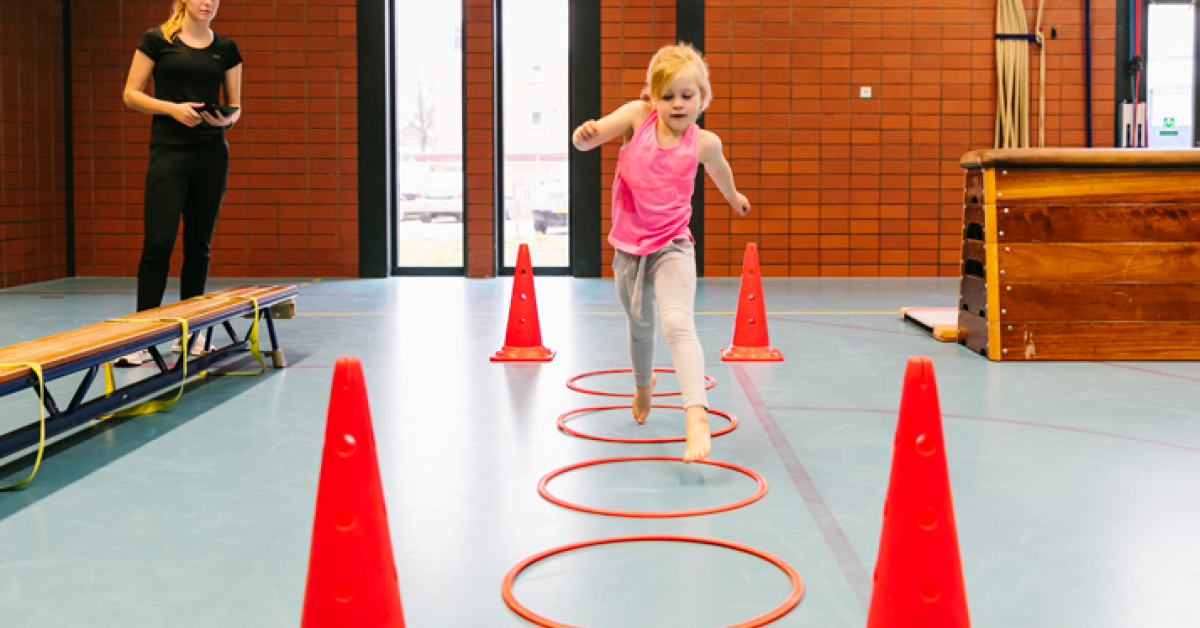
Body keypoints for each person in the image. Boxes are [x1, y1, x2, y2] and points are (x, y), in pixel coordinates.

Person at [572, 43, 751, 462]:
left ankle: (696, 415)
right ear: (649, 97)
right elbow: (591, 141)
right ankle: (642, 385)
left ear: (702, 99)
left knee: (676, 322)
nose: (677, 104)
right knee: (640, 327)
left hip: (673, 245)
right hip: (629, 247)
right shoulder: (637, 120)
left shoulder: (704, 142)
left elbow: (721, 172)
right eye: (667, 95)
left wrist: (735, 196)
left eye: (687, 96)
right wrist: (584, 137)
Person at [117, 0, 242, 366]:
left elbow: (236, 105)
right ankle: (143, 335)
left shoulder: (227, 49)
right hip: (169, 153)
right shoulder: (156, 40)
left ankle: (193, 330)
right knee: (158, 242)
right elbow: (131, 93)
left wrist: (226, 121)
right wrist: (172, 109)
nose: (208, 3)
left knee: (198, 244)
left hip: (211, 154)